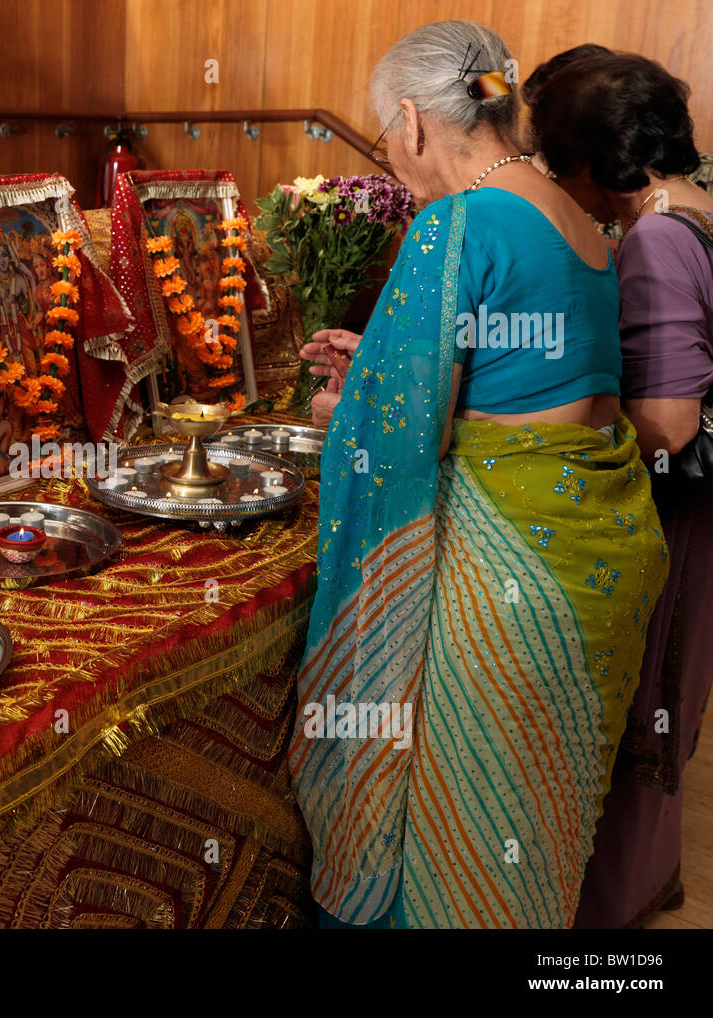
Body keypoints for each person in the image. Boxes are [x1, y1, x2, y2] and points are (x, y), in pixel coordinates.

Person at [289, 20, 668, 928]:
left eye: (387, 139)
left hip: (510, 585)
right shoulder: (580, 214)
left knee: (457, 849)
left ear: (414, 122)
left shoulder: (453, 225)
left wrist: (348, 411)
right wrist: (383, 361)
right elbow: (532, 382)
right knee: (528, 842)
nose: (391, 161)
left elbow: (399, 438)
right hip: (596, 557)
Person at [532, 52, 713, 928]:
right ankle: (645, 881)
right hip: (697, 515)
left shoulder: (656, 238)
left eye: (563, 166)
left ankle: (605, 915)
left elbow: (672, 423)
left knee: (648, 699)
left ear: (599, 160)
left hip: (676, 512)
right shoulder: (699, 210)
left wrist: (569, 430)